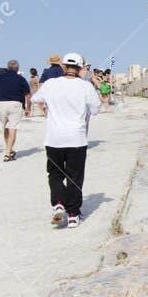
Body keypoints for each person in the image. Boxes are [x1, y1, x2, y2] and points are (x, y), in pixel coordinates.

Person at [32, 52, 101, 228]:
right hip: (77, 138)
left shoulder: (50, 84)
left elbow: (35, 98)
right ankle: (72, 214)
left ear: (63, 66)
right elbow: (95, 109)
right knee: (75, 177)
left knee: (55, 174)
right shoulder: (85, 86)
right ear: (80, 68)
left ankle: (58, 203)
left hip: (54, 138)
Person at [0, 59, 31, 162]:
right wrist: (28, 108)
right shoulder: (20, 78)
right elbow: (28, 95)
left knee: (5, 128)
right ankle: (7, 154)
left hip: (1, 104)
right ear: (17, 69)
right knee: (12, 128)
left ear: (7, 68)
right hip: (15, 104)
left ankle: (9, 149)